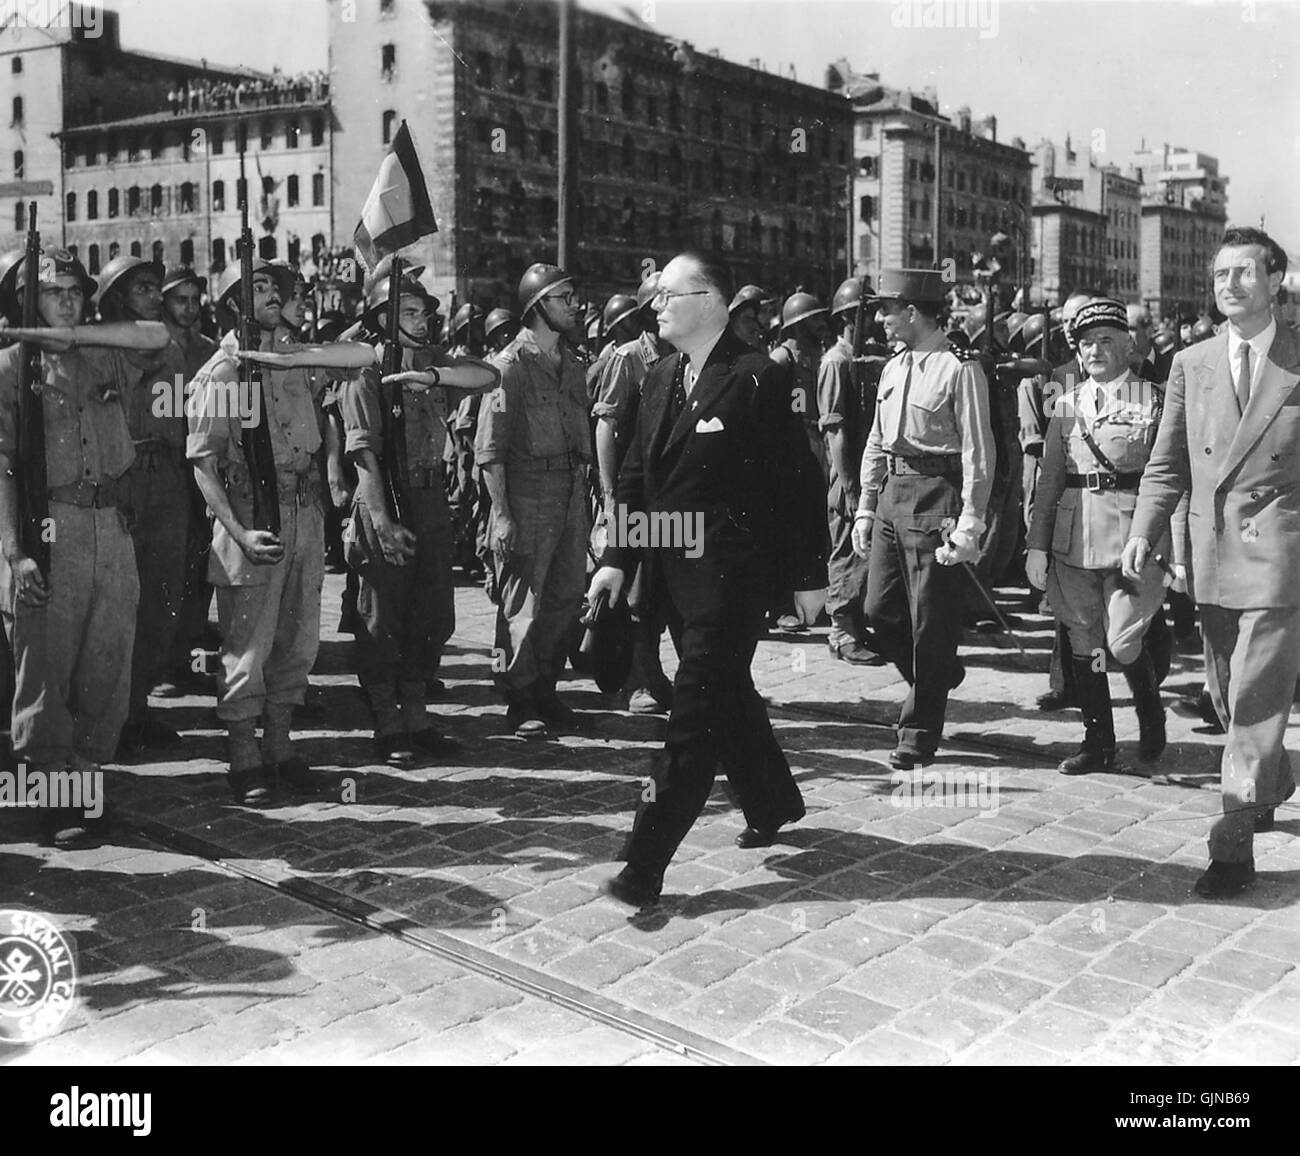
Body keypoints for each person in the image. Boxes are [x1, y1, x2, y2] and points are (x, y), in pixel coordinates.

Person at [588, 251, 827, 907]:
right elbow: (637, 479)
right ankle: (772, 800)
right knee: (730, 701)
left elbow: (798, 486)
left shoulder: (757, 379)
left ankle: (644, 864)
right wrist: (617, 559)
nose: (655, 304)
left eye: (669, 293)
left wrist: (809, 577)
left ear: (712, 302)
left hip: (733, 583)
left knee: (692, 720)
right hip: (671, 577)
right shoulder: (659, 374)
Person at [1123, 226, 1299, 899]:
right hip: (1210, 556)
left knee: (1255, 698)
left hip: (1281, 554)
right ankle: (1272, 779)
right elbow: (1167, 461)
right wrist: (1146, 528)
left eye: (1245, 272)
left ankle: (1232, 845)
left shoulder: (1298, 358)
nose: (1230, 285)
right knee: (1229, 695)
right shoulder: (1191, 364)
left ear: (1276, 279)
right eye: (1221, 274)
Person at [187, 258, 376, 806]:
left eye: (279, 288)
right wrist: (239, 534)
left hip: (305, 509)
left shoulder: (295, 359)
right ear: (232, 304)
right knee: (247, 645)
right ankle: (244, 757)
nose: (274, 296)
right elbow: (202, 463)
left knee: (297, 641)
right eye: (259, 287)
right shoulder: (223, 372)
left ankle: (281, 748)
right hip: (251, 514)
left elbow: (358, 360)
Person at [0, 249, 170, 847]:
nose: (69, 300)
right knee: (45, 662)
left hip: (109, 523)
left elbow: (156, 335)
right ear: (23, 299)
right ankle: (52, 795)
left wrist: (72, 333)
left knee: (108, 657)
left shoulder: (102, 353)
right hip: (50, 523)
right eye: (53, 292)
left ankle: (87, 781)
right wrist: (14, 553)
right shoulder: (9, 368)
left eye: (75, 290)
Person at [341, 276, 498, 764]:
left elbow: (490, 376)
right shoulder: (364, 373)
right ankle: (387, 723)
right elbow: (364, 456)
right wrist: (383, 523)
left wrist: (432, 378)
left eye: (423, 312)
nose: (422, 320)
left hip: (430, 497)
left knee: (432, 611)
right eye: (408, 312)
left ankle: (416, 717)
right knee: (382, 614)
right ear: (381, 319)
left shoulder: (433, 366)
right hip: (385, 496)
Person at [852, 268, 995, 770]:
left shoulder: (959, 369)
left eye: (886, 309)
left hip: (937, 496)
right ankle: (939, 674)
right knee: (877, 613)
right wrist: (867, 505)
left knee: (930, 624)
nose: (879, 318)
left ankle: (917, 731)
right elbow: (876, 438)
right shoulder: (894, 367)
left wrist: (970, 523)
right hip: (893, 492)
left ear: (912, 312)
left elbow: (980, 451)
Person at [1026, 298, 1172, 773]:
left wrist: (1172, 548)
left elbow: (1171, 478)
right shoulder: (1065, 404)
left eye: (1107, 340)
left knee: (1124, 641)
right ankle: (1098, 740)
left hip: (1134, 540)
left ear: (1130, 345)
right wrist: (1037, 545)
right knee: (1084, 643)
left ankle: (1150, 711)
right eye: (1086, 343)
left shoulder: (1154, 399)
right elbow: (1048, 482)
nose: (1095, 351)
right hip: (1074, 540)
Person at [475, 263, 593, 738]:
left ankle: (545, 687)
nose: (575, 305)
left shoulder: (575, 363)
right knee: (523, 599)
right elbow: (490, 452)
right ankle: (521, 698)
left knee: (565, 595)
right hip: (527, 493)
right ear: (538, 305)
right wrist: (501, 514)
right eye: (564, 297)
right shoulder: (508, 369)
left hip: (569, 493)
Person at [94, 255, 191, 755]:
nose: (156, 297)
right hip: (122, 479)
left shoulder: (170, 350)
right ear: (115, 298)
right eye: (143, 289)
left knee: (162, 601)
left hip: (168, 479)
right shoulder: (103, 350)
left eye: (157, 288)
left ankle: (138, 707)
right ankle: (112, 716)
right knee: (119, 605)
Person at [591, 272, 675, 713]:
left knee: (658, 589)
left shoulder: (681, 354)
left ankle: (654, 670)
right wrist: (609, 497)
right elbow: (606, 425)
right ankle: (636, 679)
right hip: (631, 491)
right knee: (634, 592)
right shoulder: (629, 358)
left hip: (666, 496)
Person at [159, 265, 220, 694]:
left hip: (201, 471)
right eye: (180, 298)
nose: (188, 306)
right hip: (162, 471)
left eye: (194, 299)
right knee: (163, 571)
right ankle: (160, 664)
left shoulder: (210, 352)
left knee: (200, 569)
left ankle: (187, 658)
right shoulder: (148, 348)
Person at [818, 276, 885, 665]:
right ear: (849, 316)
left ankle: (856, 623)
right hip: (848, 477)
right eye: (869, 311)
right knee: (846, 548)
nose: (876, 318)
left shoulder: (863, 358)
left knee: (863, 551)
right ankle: (841, 630)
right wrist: (849, 487)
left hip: (865, 474)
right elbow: (835, 430)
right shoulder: (836, 361)